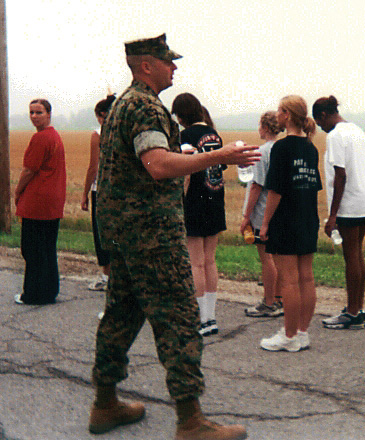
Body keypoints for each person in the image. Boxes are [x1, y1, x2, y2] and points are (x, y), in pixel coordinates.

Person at [89, 34, 258, 440]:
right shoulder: (145, 106)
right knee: (180, 320)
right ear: (147, 65)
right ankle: (191, 420)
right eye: (169, 62)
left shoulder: (121, 106)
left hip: (127, 235)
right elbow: (159, 164)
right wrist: (221, 157)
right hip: (153, 236)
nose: (175, 68)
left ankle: (105, 403)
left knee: (121, 316)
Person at [258, 95, 322, 352]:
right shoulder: (311, 148)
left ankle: (289, 335)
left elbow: (275, 190)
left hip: (286, 219)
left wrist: (264, 224)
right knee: (307, 278)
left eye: (279, 110)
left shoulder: (281, 149)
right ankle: (302, 332)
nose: (277, 114)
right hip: (308, 217)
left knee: (289, 281)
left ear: (286, 114)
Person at [313, 95, 365, 330]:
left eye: (319, 123)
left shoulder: (336, 136)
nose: (320, 128)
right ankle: (358, 308)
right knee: (358, 254)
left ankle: (351, 312)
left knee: (351, 255)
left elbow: (340, 175)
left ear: (322, 115)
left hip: (350, 202)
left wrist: (333, 215)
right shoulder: (357, 130)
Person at [171, 93, 227, 337]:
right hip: (215, 199)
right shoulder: (215, 135)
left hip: (194, 201)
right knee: (210, 260)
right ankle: (211, 317)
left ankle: (201, 319)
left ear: (182, 114)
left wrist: (178, 202)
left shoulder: (185, 137)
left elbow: (184, 173)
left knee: (195, 262)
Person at [13, 98, 66, 306]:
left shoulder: (41, 139)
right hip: (52, 201)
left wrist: (18, 192)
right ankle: (49, 291)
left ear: (49, 114)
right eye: (32, 112)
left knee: (32, 249)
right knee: (46, 248)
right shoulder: (54, 136)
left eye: (39, 112)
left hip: (38, 200)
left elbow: (29, 170)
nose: (34, 116)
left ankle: (33, 294)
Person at [242, 111, 282, 318]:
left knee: (266, 258)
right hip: (279, 211)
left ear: (265, 128)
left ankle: (269, 302)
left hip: (262, 211)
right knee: (278, 257)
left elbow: (256, 186)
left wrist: (245, 216)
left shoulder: (262, 151)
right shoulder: (282, 149)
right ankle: (280, 298)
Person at [81, 94, 116, 293]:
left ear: (102, 115)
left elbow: (93, 167)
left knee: (100, 234)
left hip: (101, 190)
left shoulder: (98, 134)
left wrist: (85, 193)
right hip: (120, 190)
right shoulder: (123, 131)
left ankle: (106, 276)